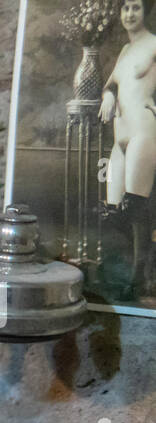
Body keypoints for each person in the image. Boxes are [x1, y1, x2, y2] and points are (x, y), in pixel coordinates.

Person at [100, 0, 156, 297]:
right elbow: (111, 84)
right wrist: (109, 96)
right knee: (113, 211)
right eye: (125, 8)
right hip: (119, 139)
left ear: (146, 12)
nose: (129, 14)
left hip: (143, 132)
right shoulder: (124, 50)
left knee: (134, 206)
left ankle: (137, 280)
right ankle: (146, 263)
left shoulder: (154, 44)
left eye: (136, 7)